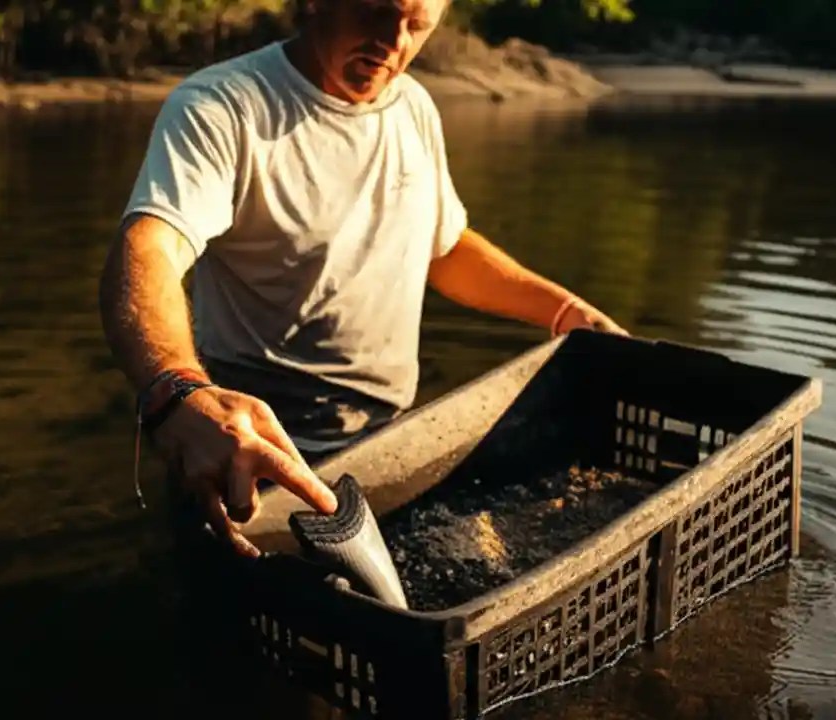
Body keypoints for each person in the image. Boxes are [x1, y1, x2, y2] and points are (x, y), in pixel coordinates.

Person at [98, 0, 627, 558]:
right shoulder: (222, 107)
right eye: (377, 13)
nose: (394, 42)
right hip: (253, 461)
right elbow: (149, 248)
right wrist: (179, 392)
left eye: (417, 26)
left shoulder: (413, 107)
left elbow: (443, 250)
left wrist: (565, 311)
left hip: (389, 448)